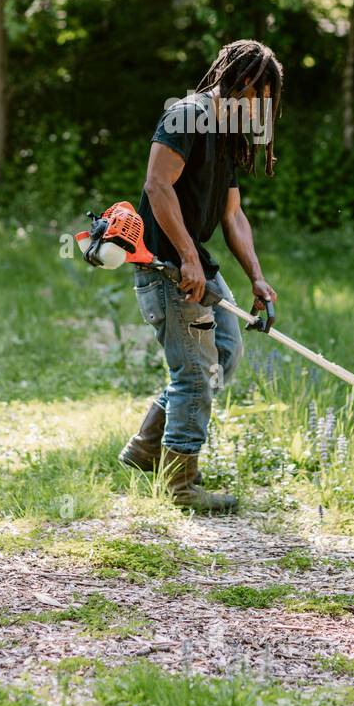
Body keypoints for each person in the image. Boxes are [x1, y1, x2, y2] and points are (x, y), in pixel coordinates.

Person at [119, 40, 283, 512]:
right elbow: (157, 184)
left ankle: (146, 450)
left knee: (224, 354)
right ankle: (180, 483)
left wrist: (256, 275)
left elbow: (233, 215)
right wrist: (189, 257)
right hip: (168, 268)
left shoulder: (226, 133)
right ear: (241, 82)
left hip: (196, 265)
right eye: (259, 96)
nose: (261, 109)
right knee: (194, 373)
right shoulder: (187, 115)